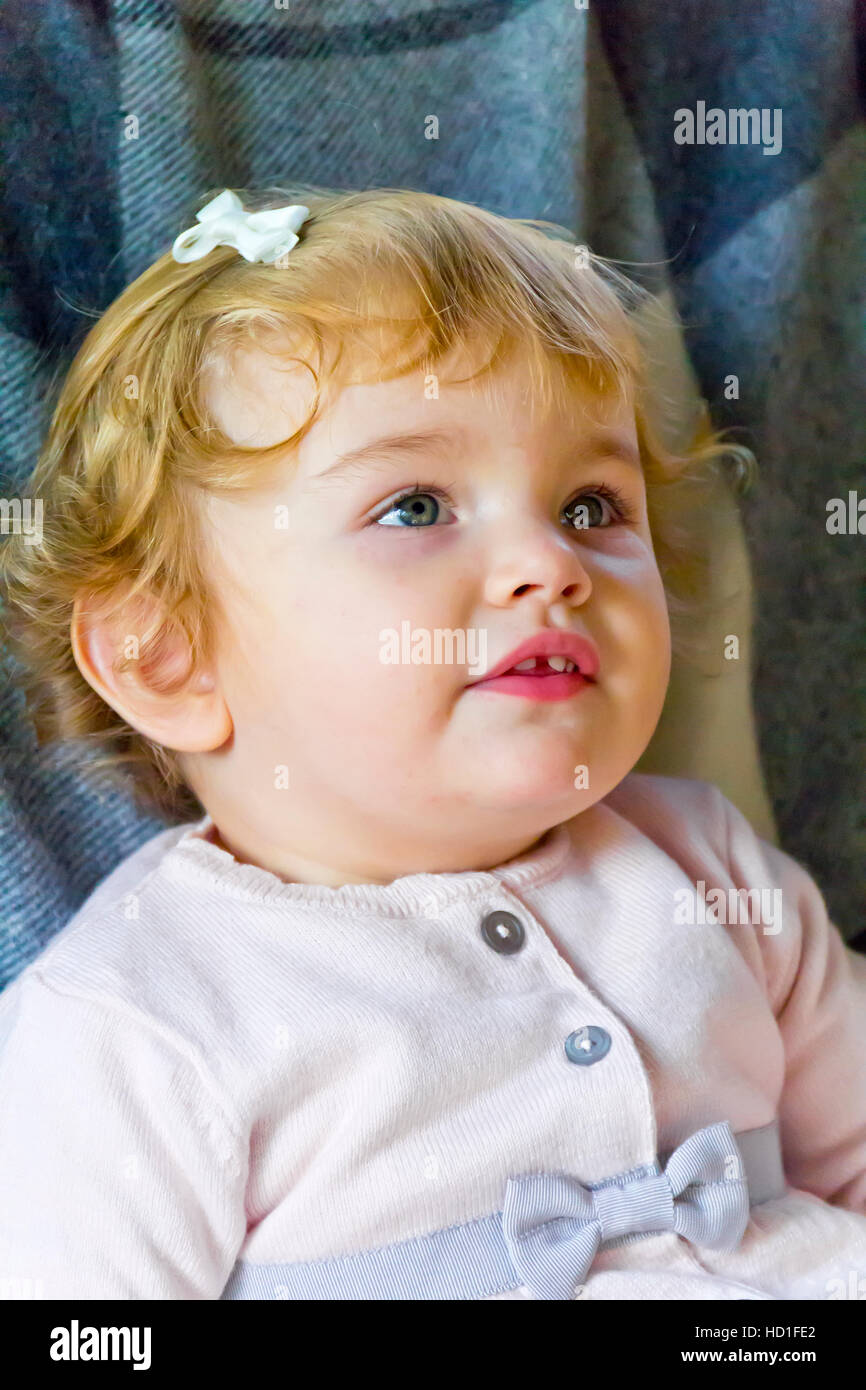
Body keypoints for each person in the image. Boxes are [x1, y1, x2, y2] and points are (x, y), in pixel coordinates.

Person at [0, 186, 863, 1300]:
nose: (550, 563)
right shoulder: (135, 1028)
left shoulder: (708, 867)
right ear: (169, 656)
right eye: (414, 507)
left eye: (593, 506)